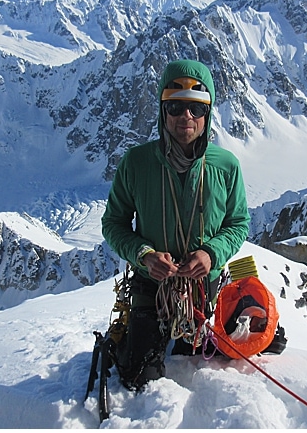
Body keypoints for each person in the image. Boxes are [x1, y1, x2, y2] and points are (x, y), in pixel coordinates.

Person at [100, 59, 250, 391]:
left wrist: (211, 254)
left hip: (202, 287)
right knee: (139, 376)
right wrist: (144, 255)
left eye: (196, 109)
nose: (186, 117)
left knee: (199, 360)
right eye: (176, 107)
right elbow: (113, 223)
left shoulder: (225, 166)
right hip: (151, 286)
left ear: (207, 114)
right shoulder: (136, 163)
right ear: (162, 111)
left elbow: (238, 223)